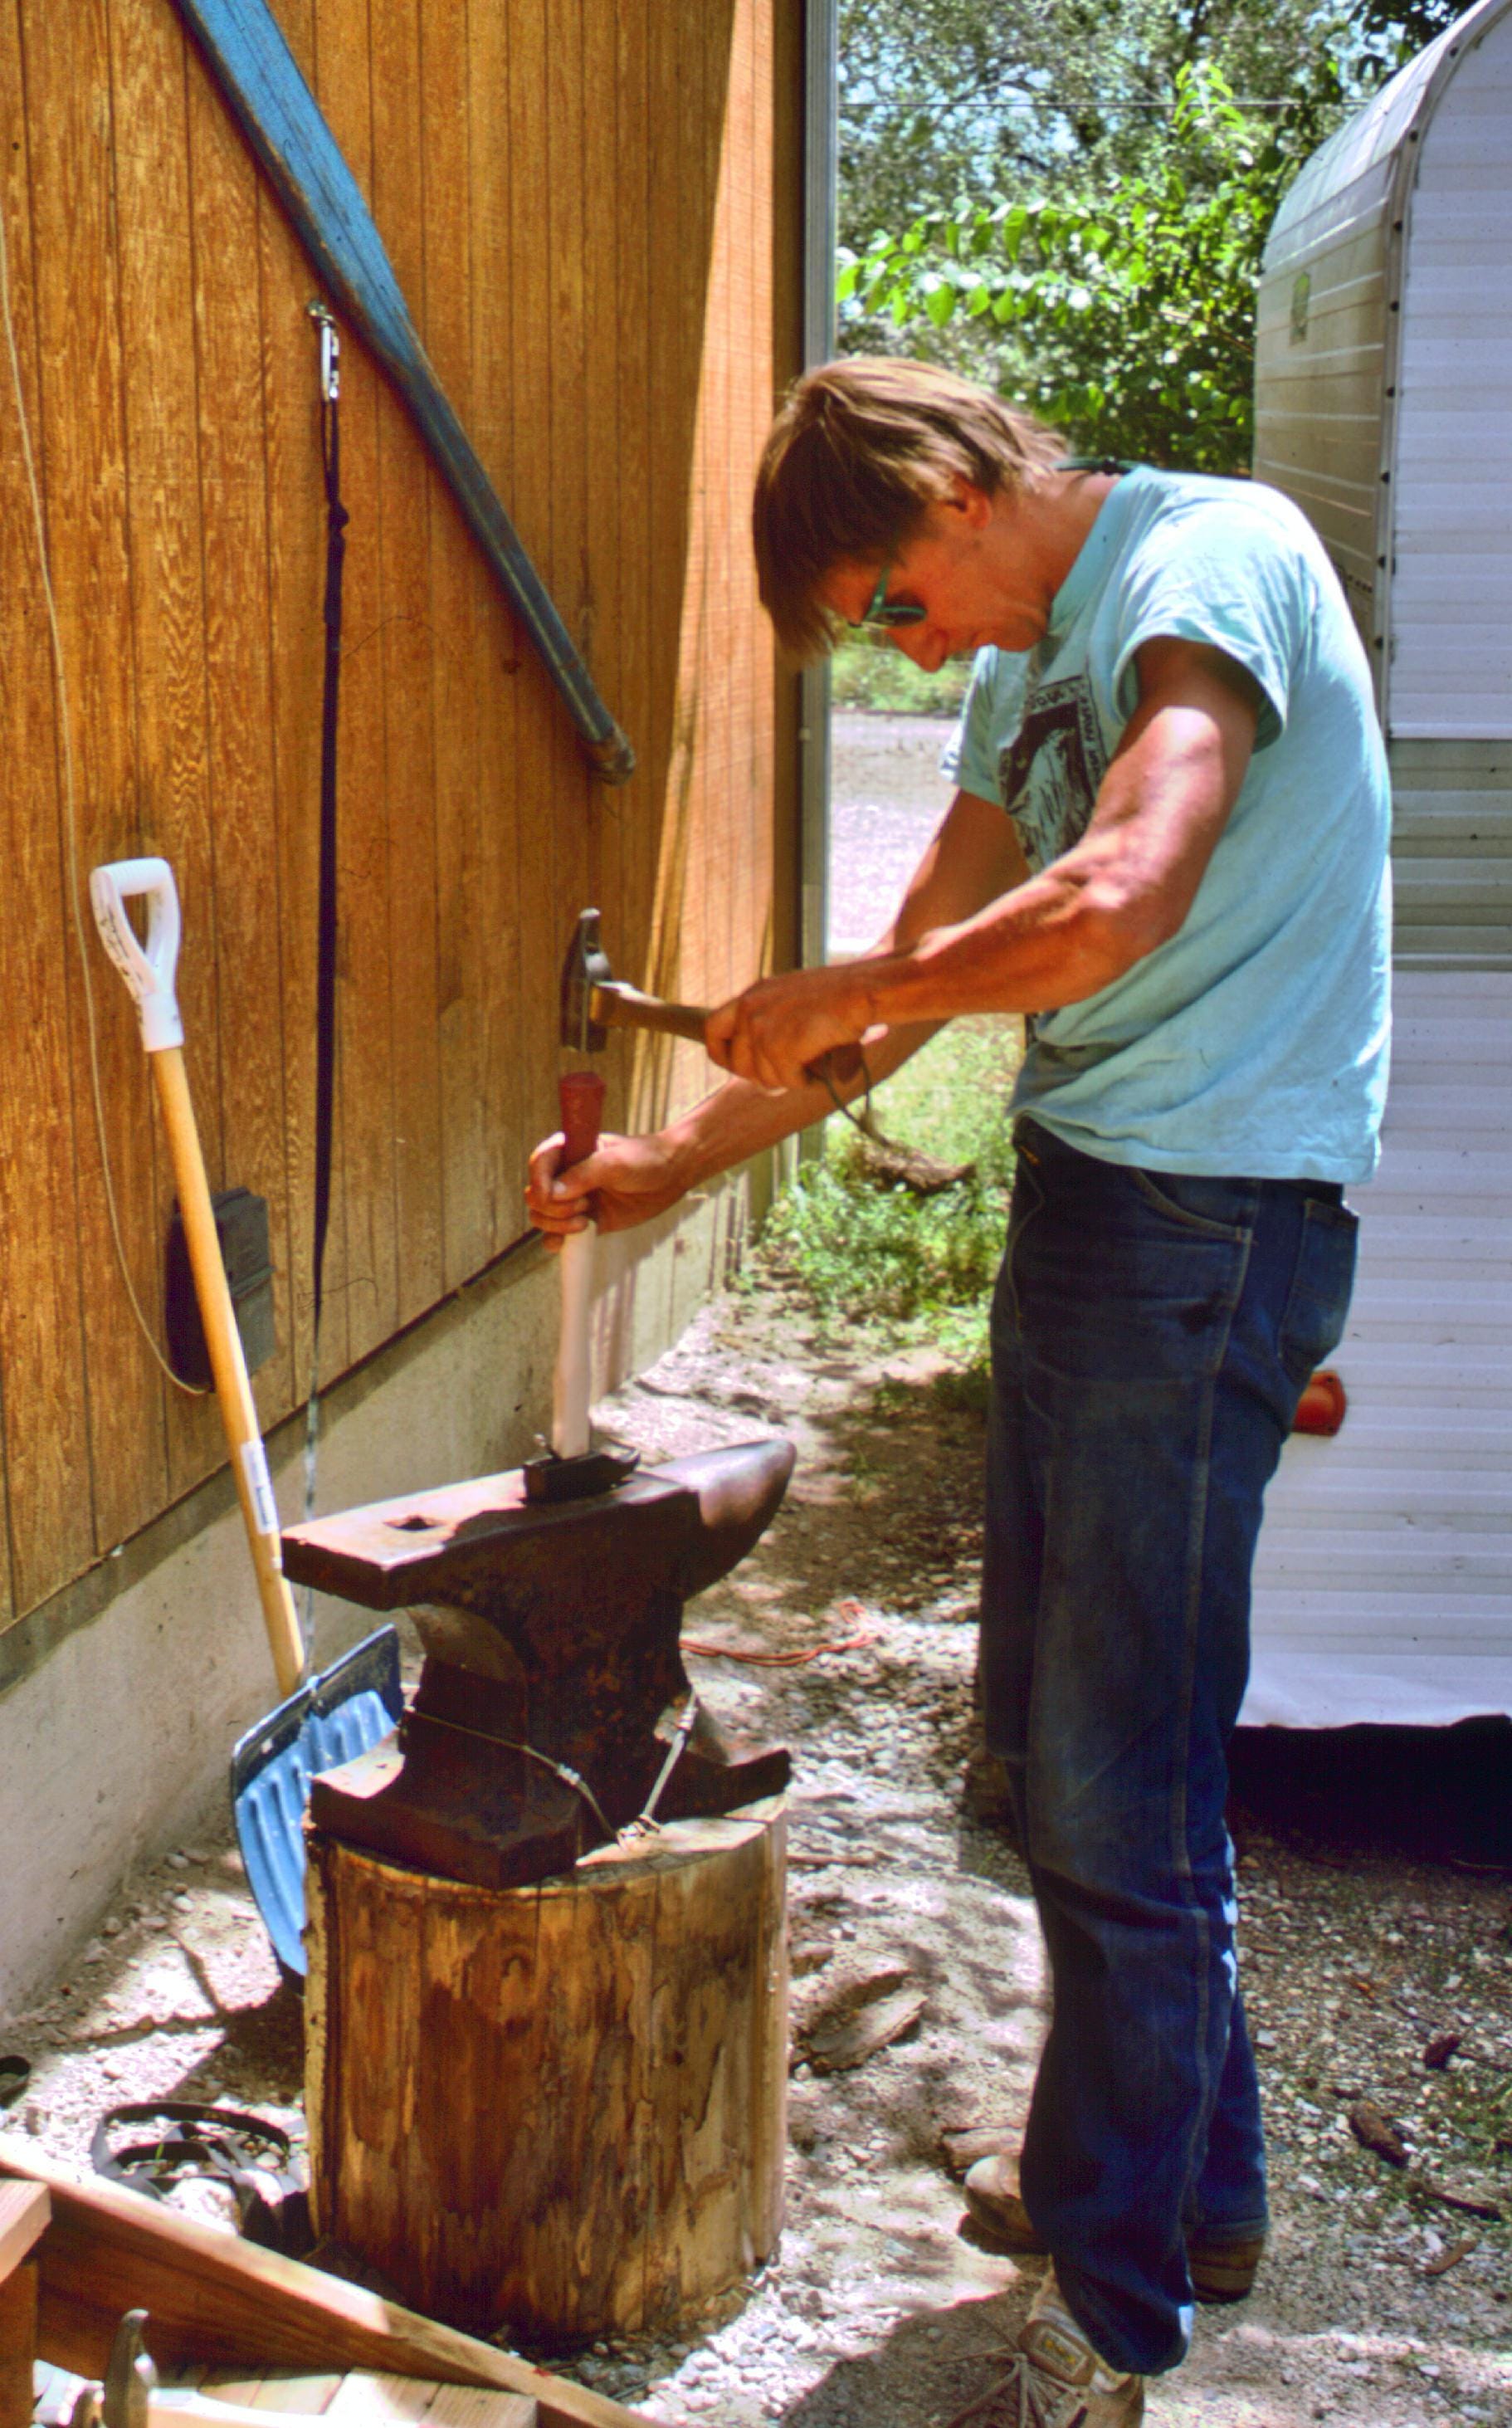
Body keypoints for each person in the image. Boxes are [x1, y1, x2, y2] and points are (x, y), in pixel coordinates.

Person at [527, 356, 1390, 2426]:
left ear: (953, 483)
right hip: (1097, 1197)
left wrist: (866, 982)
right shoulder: (1022, 674)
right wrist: (669, 1162)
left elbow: (1116, 888)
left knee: (1114, 1776)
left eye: (895, 604)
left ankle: (1107, 2321)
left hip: (1211, 1219)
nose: (914, 651)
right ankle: (1182, 2193)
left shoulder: (1208, 563)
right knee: (1073, 1746)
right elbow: (909, 979)